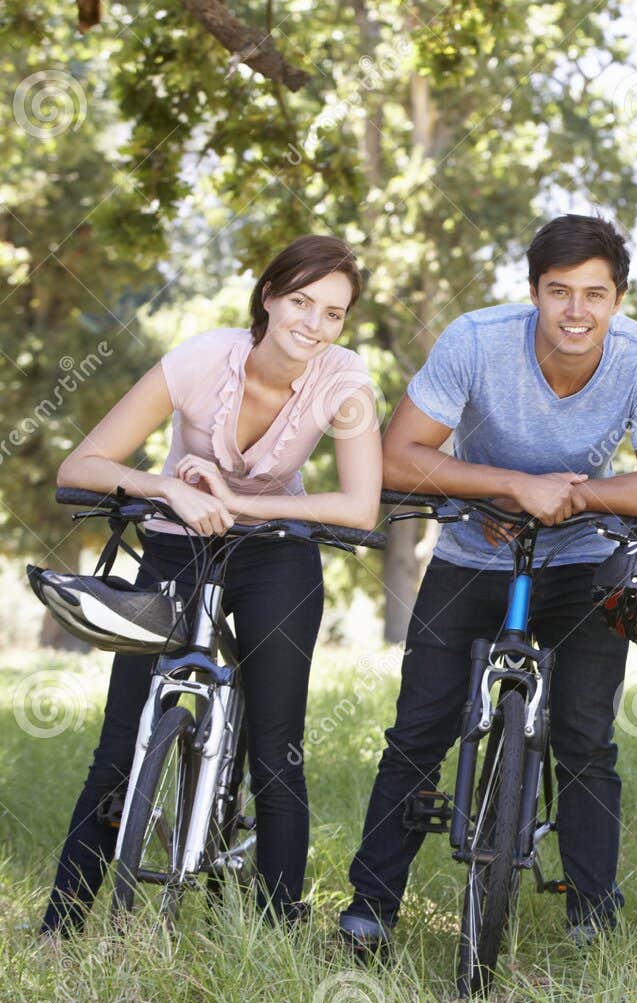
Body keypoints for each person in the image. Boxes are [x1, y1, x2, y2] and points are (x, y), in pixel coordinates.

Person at [339, 214, 637, 952]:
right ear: (533, 291)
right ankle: (371, 908)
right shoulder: (475, 339)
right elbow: (395, 456)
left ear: (618, 299)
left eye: (594, 294)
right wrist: (504, 488)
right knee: (419, 730)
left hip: (581, 556)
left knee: (586, 737)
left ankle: (594, 914)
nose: (576, 311)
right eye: (559, 291)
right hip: (474, 548)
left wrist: (575, 495)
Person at [41, 234, 382, 935]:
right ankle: (61, 928)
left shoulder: (345, 383)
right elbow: (82, 465)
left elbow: (359, 507)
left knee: (277, 748)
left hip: (276, 553)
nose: (314, 325)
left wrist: (243, 500)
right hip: (175, 544)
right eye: (301, 302)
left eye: (333, 313)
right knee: (119, 744)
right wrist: (165, 484)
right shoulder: (201, 360)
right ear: (268, 296)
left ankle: (278, 934)